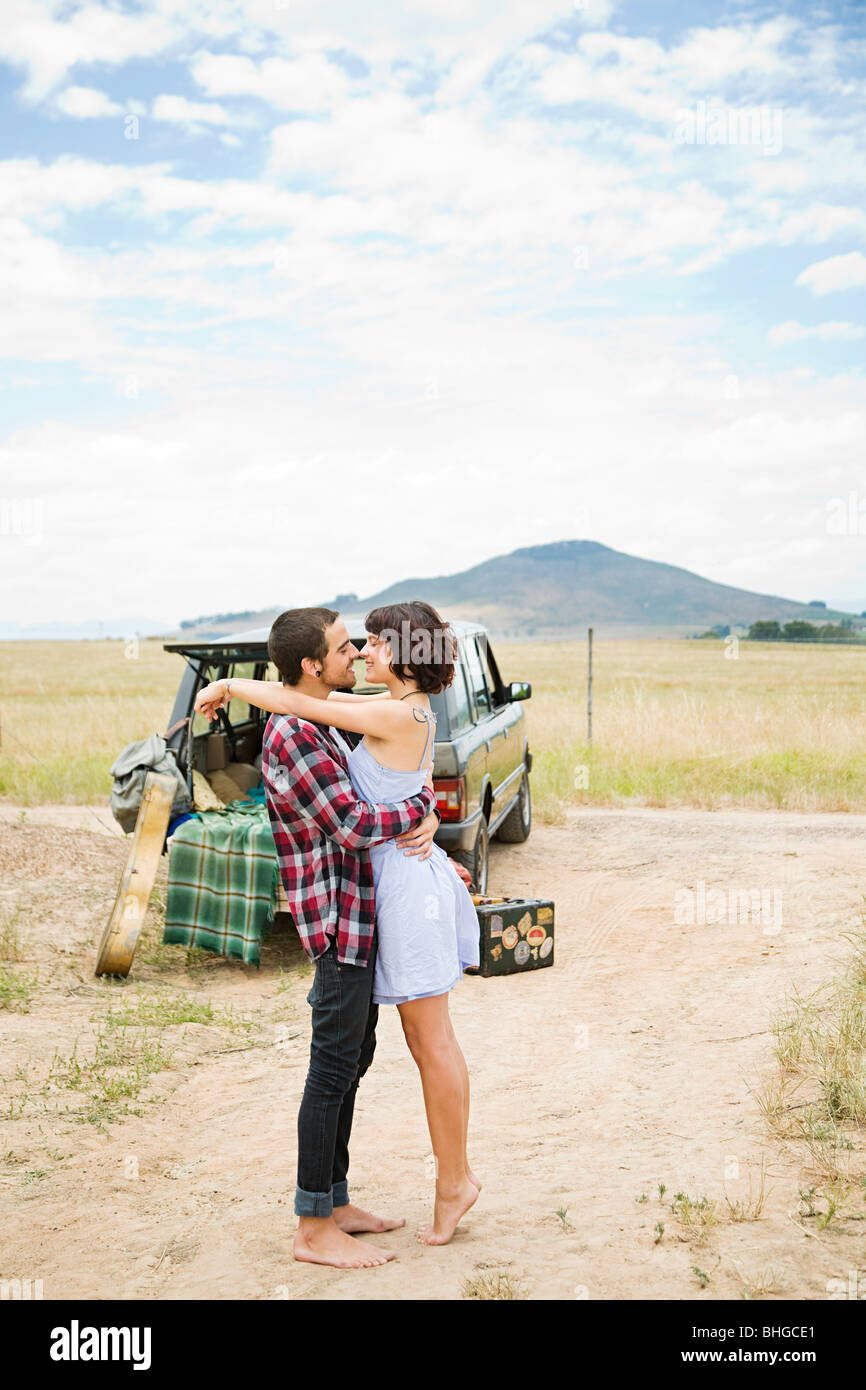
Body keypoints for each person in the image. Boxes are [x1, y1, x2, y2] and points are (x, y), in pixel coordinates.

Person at [196, 601, 481, 1253]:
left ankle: (362, 1196)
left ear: (403, 655)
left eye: (371, 643)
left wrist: (423, 816)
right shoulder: (308, 727)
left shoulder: (358, 714)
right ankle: (318, 1221)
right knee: (342, 1063)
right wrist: (419, 810)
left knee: (375, 1053)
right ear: (311, 663)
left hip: (381, 901)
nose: (358, 653)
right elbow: (356, 820)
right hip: (344, 913)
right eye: (349, 645)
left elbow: (372, 782)